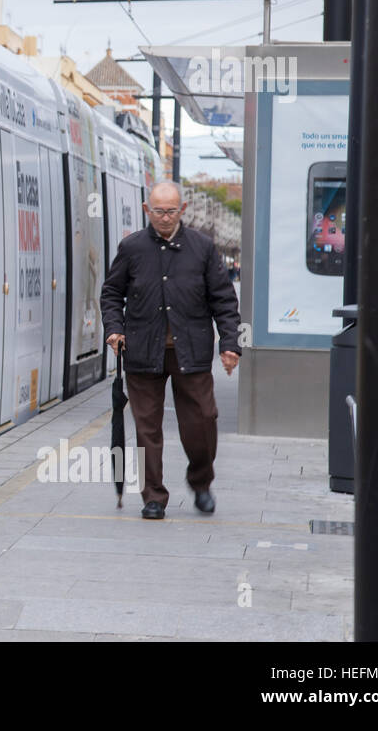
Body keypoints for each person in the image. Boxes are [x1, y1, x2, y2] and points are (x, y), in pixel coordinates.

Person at [101, 181, 241, 520]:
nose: (164, 217)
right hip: (142, 352)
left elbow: (223, 300)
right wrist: (114, 328)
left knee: (203, 421)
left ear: (183, 210)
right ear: (147, 210)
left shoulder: (202, 248)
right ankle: (153, 497)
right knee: (147, 427)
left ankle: (201, 483)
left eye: (171, 211)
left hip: (190, 351)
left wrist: (229, 344)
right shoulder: (132, 248)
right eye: (158, 211)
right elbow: (111, 293)